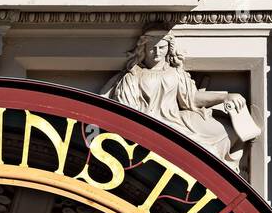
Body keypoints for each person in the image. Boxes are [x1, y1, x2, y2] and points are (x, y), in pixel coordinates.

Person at [103, 32, 259, 164]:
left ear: (169, 49)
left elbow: (192, 99)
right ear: (144, 48)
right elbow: (126, 109)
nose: (157, 52)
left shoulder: (176, 73)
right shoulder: (133, 75)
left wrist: (225, 96)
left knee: (227, 130)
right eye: (152, 48)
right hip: (149, 125)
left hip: (178, 120)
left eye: (162, 48)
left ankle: (224, 165)